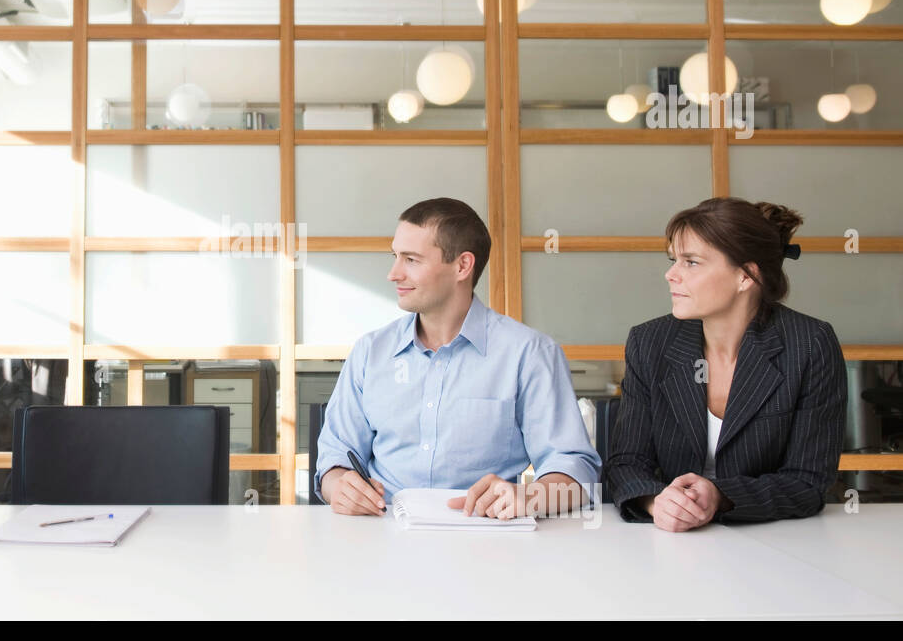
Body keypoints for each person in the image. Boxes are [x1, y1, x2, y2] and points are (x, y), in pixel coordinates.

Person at [315, 198, 600, 519]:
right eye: (395, 256)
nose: (393, 274)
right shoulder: (370, 352)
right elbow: (335, 455)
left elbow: (576, 470)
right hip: (382, 532)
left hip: (484, 540)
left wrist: (529, 496)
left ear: (462, 266)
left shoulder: (530, 354)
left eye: (411, 259)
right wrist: (339, 484)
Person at [603, 197, 846, 530]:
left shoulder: (810, 344)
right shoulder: (650, 343)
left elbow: (808, 481)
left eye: (691, 262)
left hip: (775, 542)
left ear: (746, 276)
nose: (670, 274)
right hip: (669, 541)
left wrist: (720, 495)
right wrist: (655, 501)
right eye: (674, 260)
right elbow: (626, 462)